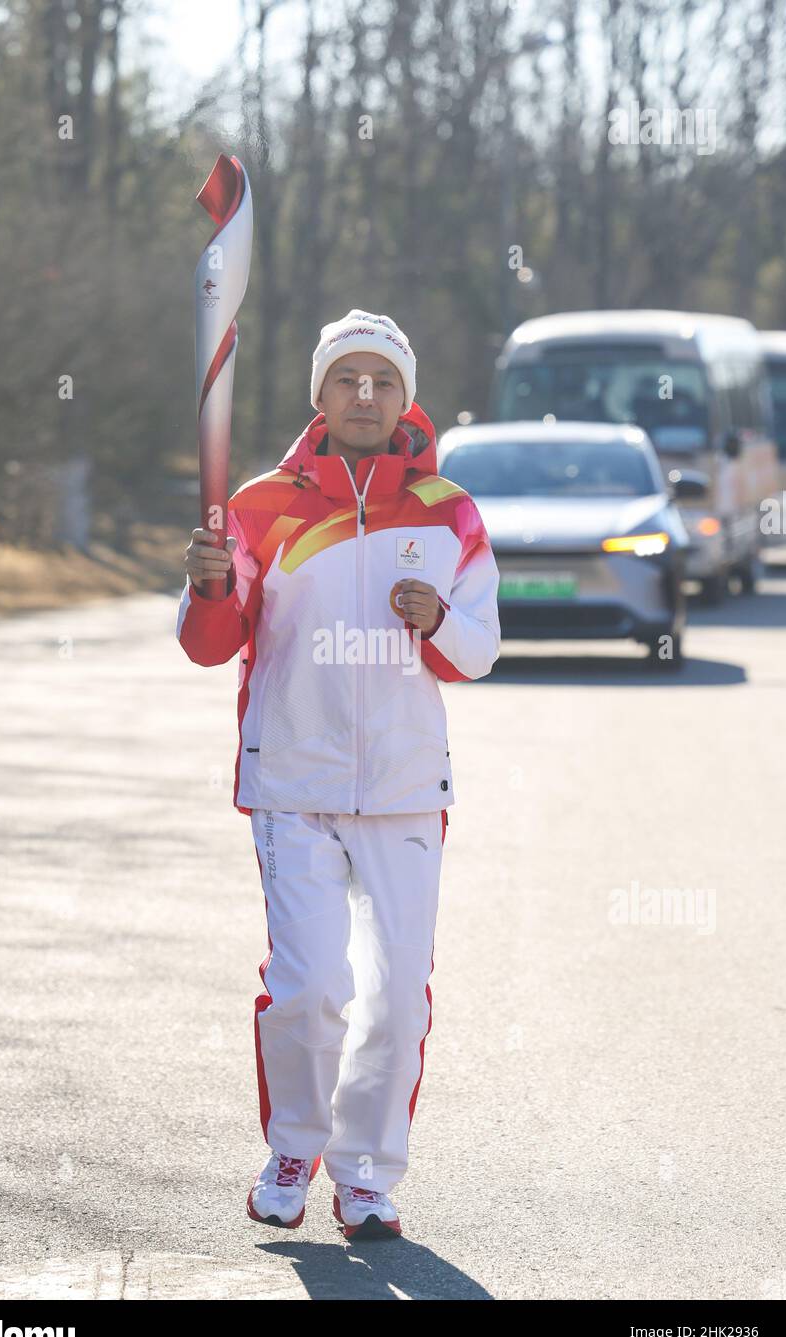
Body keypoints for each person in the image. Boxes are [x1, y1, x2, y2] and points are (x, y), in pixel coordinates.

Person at [177, 308, 501, 1240]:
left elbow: (479, 652)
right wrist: (207, 585)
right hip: (293, 782)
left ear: (407, 397)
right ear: (318, 396)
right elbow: (210, 645)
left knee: (398, 995)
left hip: (404, 788)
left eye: (383, 381)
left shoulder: (448, 511)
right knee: (313, 983)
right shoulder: (258, 506)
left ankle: (364, 1176)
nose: (366, 395)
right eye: (347, 380)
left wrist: (437, 620)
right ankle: (293, 1147)